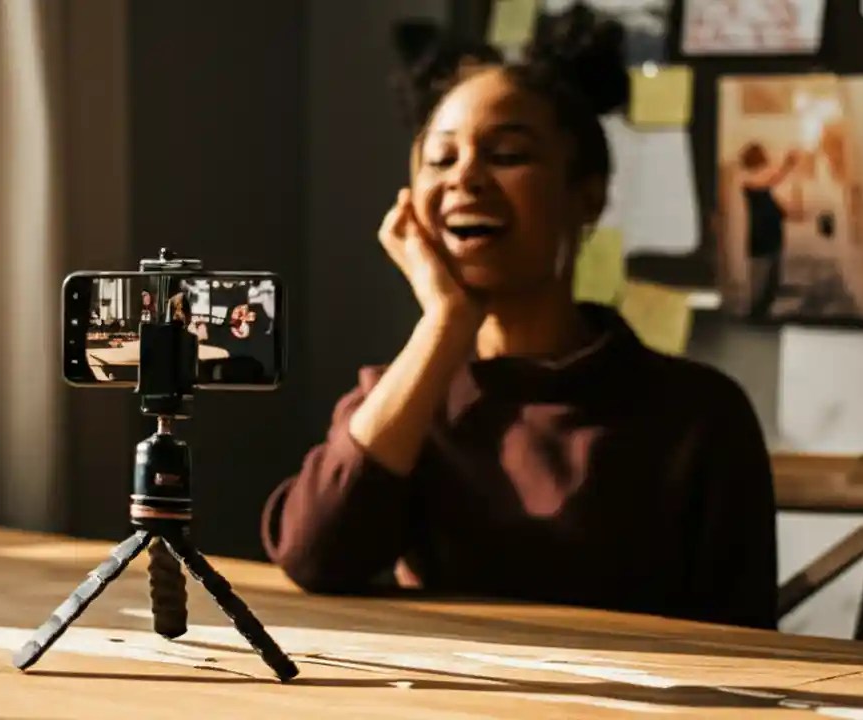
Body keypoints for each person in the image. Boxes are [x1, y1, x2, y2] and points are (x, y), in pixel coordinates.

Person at [261, 4, 778, 630]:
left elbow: (747, 641)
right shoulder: (407, 397)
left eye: (507, 154)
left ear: (587, 193)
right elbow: (315, 557)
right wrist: (445, 326)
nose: (466, 179)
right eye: (440, 159)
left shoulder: (698, 416)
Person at [738, 142, 800, 319]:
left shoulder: (761, 182)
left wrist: (783, 211)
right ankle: (755, 320)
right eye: (763, 153)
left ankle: (763, 317)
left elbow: (770, 199)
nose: (767, 155)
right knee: (759, 289)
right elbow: (769, 180)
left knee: (771, 287)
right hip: (761, 243)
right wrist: (788, 164)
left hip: (773, 240)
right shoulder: (748, 179)